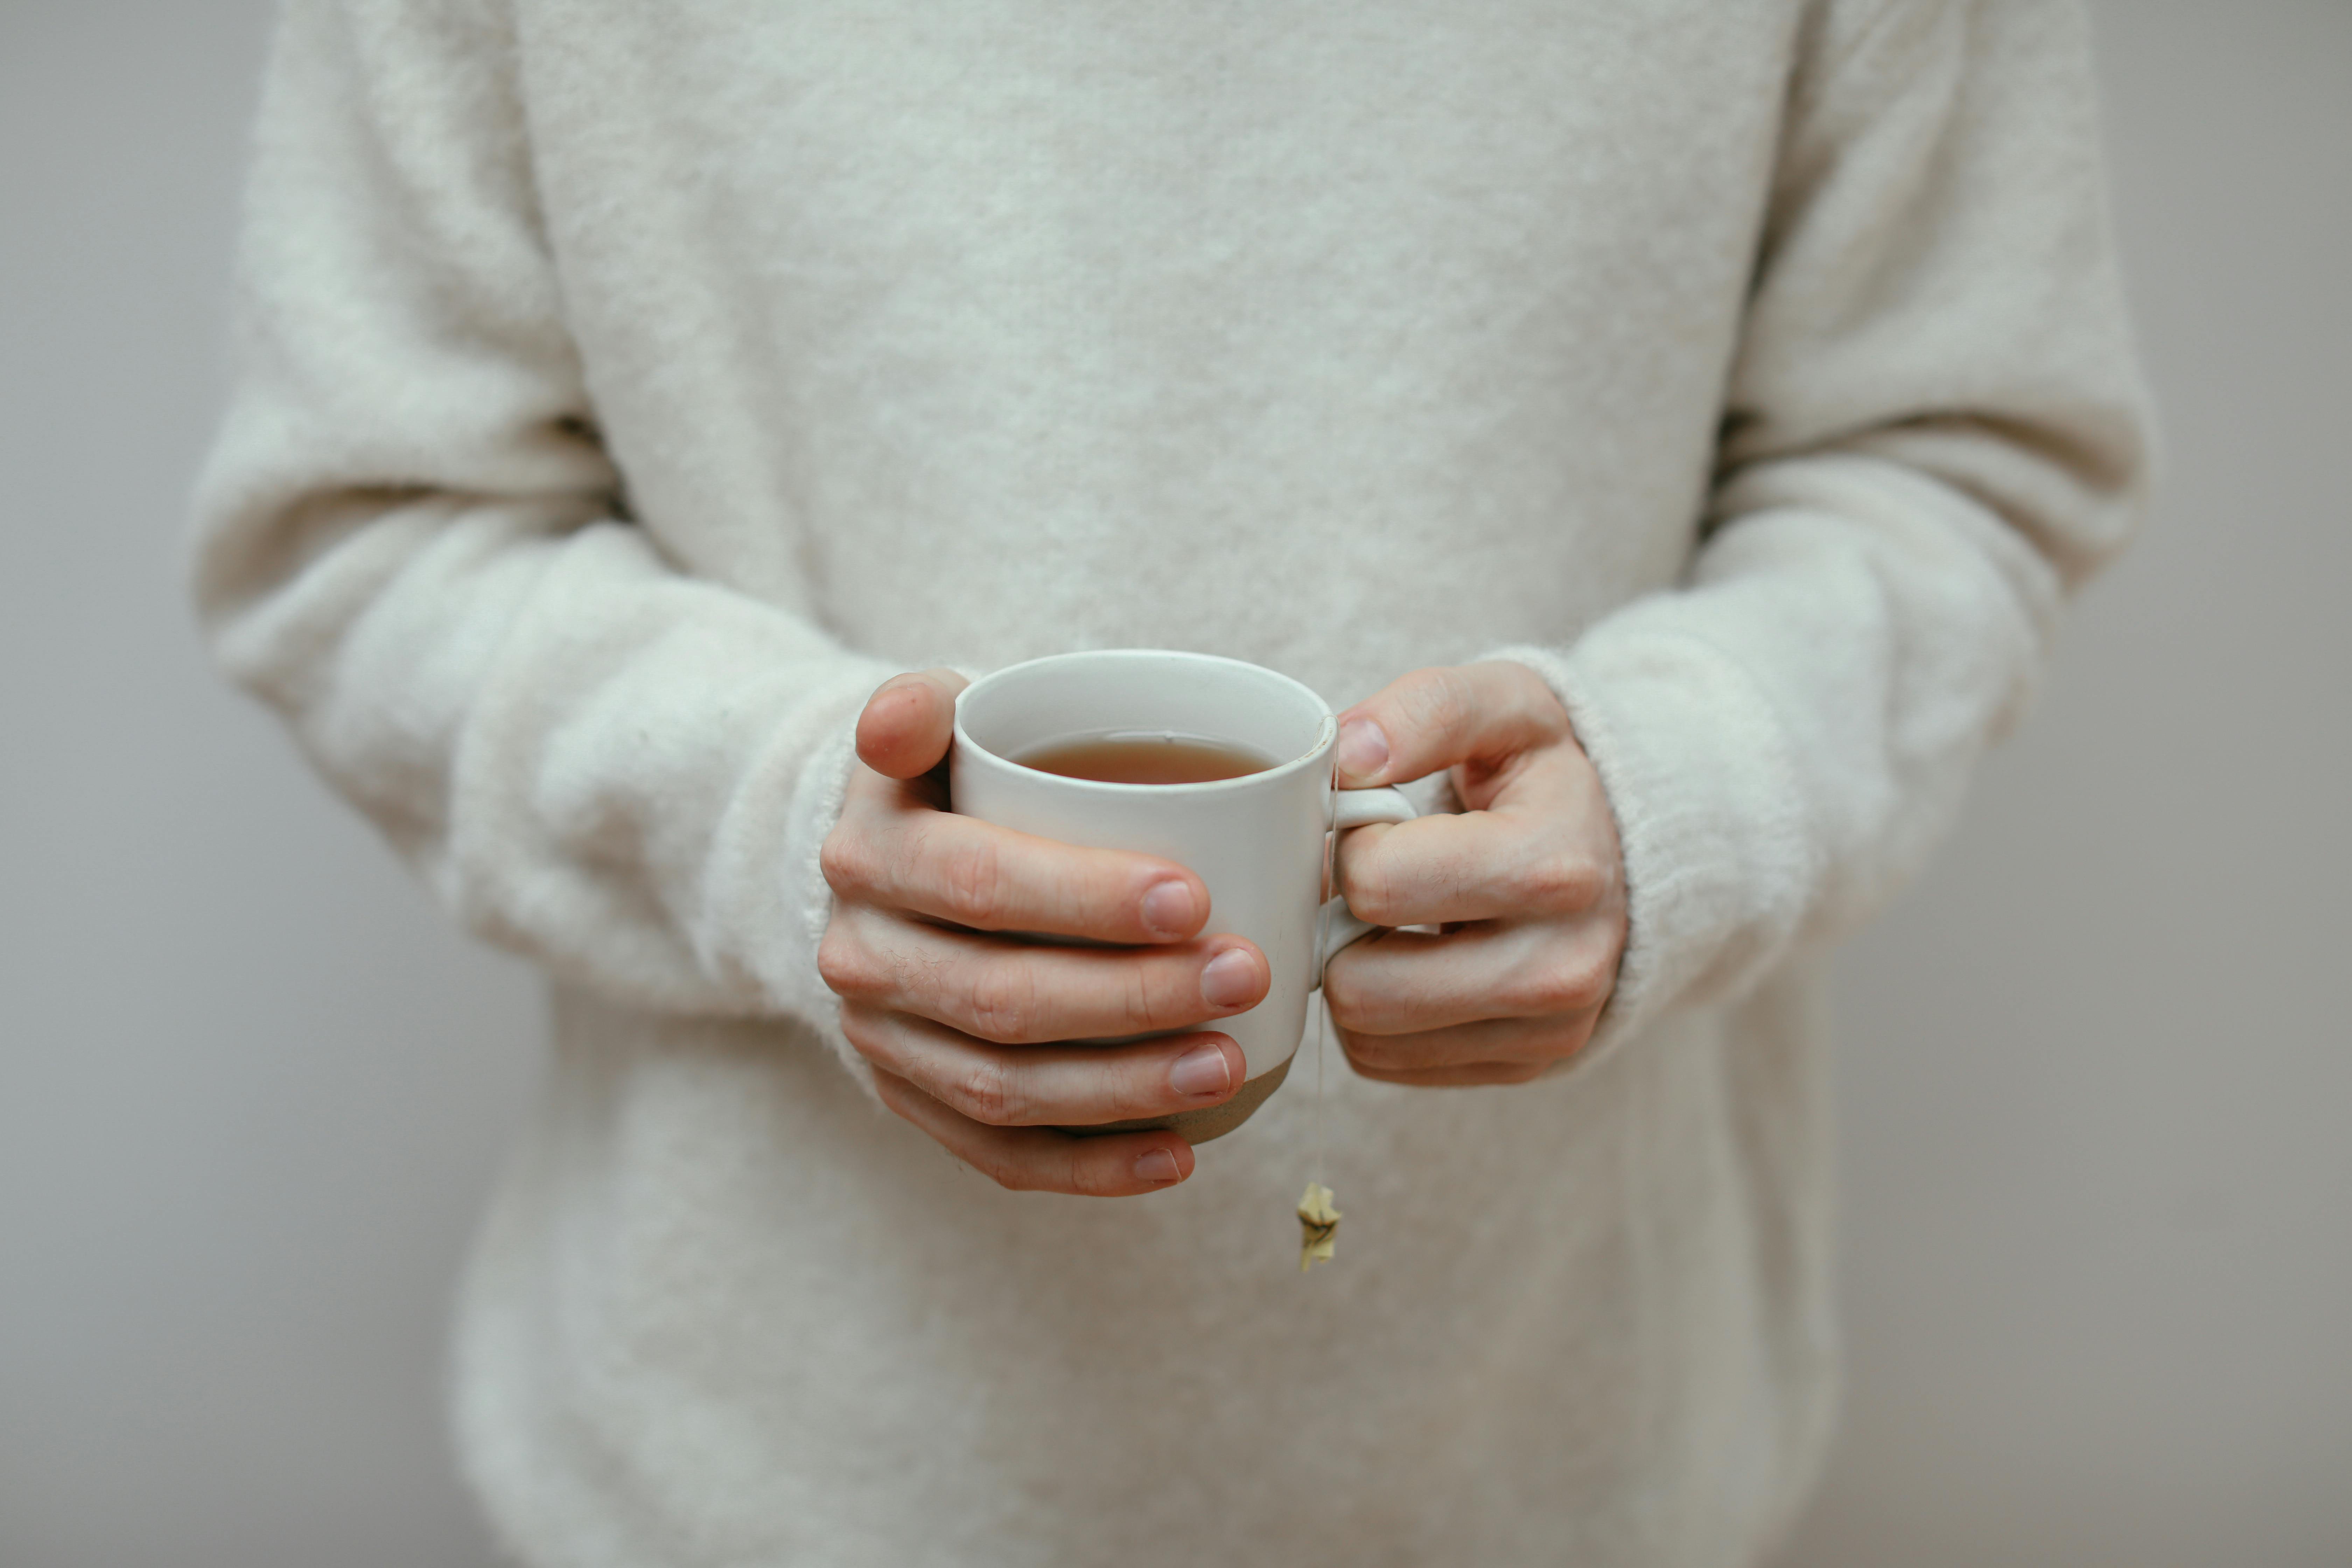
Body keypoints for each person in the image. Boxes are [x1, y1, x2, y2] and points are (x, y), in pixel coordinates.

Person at [192, 0, 2151, 1562]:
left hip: (1569, 1465)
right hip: (759, 1478)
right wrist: (775, 824)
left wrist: (1693, 792)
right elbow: (374, 526)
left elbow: (1957, 449)